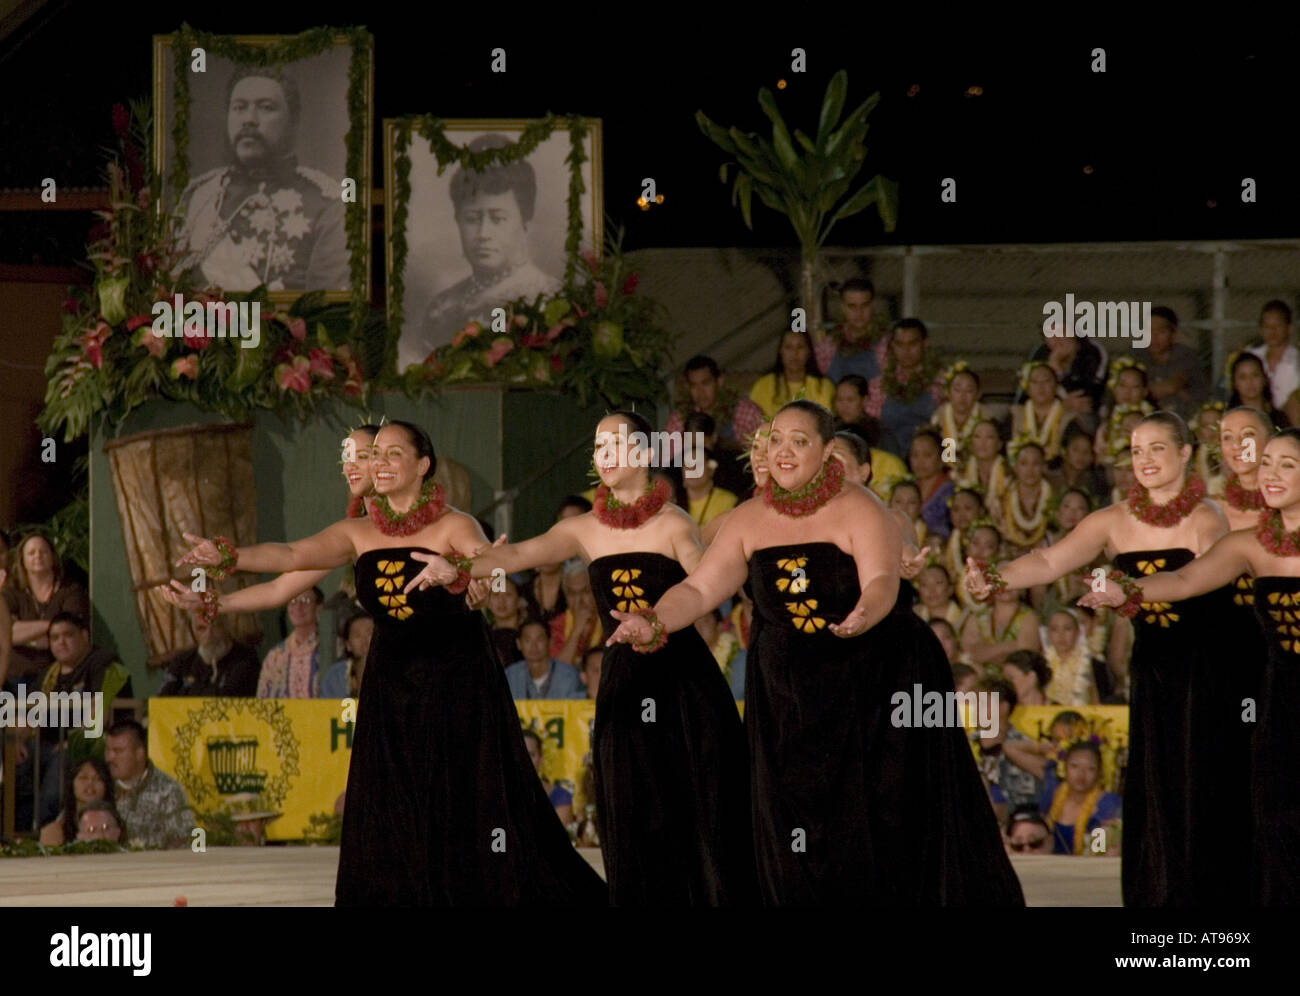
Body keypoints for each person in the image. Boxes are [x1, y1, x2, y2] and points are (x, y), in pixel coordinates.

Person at [601, 400, 1023, 906]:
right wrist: (652, 620)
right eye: (776, 439)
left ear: (827, 454)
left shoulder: (859, 506)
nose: (783, 451)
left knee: (882, 812)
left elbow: (883, 579)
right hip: (787, 688)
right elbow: (698, 590)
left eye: (800, 442)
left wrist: (866, 612)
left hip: (873, 677)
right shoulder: (748, 518)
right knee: (793, 813)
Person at [177, 420, 606, 905]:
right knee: (391, 799)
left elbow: (487, 562)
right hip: (391, 682)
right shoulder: (356, 532)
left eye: (392, 454)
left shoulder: (453, 523)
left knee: (462, 797)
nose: (378, 464)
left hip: (457, 679)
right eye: (374, 454)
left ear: (423, 465)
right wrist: (227, 557)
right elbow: (291, 555)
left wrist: (473, 577)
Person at [407, 410, 758, 907]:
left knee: (696, 802)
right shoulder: (585, 528)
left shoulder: (674, 522)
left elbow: (707, 586)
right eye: (599, 447)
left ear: (645, 453)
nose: (605, 455)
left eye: (616, 444)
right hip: (623, 676)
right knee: (629, 803)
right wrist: (458, 566)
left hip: (682, 680)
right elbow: (519, 555)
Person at [970, 410, 1250, 907]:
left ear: (1185, 454)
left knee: (1201, 786)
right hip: (1153, 668)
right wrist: (994, 578)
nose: (1144, 460)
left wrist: (1127, 590)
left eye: (1157, 449)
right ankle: (1156, 900)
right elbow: (1051, 560)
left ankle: (1210, 906)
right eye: (1137, 451)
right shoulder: (1114, 520)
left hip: (1208, 671)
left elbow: (1193, 583)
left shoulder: (1209, 518)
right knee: (1156, 787)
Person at [1081, 426, 1300, 903]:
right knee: (1278, 818)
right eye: (1268, 463)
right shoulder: (1250, 544)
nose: (1271, 473)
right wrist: (1127, 590)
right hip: (1280, 697)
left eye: (1288, 464)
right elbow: (1183, 581)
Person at [175, 64, 348, 294]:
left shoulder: (326, 202)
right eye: (239, 107)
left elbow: (330, 308)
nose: (249, 119)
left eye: (266, 108)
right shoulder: (198, 197)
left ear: (293, 121)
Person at [404, 135, 563, 366]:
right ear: (457, 220)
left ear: (524, 223)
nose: (483, 233)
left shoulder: (550, 298)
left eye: (498, 219)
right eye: (472, 219)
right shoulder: (442, 305)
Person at [3, 532, 90, 684]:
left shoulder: (70, 590)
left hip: (59, 677)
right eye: (31, 552)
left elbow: (71, 630)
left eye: (43, 551)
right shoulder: (12, 592)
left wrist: (22, 635)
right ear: (22, 560)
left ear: (52, 556)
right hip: (16, 680)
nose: (38, 556)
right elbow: (4, 631)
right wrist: (51, 626)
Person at [105, 720, 194, 850]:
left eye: (118, 751)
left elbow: (182, 840)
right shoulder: (99, 784)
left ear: (140, 754)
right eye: (107, 750)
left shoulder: (167, 791)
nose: (110, 758)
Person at [865, 319, 945, 458]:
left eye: (912, 344)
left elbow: (951, 431)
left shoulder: (942, 382)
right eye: (900, 345)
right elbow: (870, 431)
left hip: (932, 464)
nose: (906, 351)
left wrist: (949, 466)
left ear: (925, 344)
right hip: (889, 464)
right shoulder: (878, 386)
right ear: (892, 347)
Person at [664, 355, 765, 456]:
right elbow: (668, 462)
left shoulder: (746, 412)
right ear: (687, 387)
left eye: (706, 383)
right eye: (694, 386)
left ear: (719, 382)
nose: (700, 392)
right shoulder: (678, 420)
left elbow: (764, 452)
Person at [1039, 741, 1122, 856]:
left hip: (1089, 869)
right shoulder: (1052, 795)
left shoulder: (1107, 805)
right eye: (1074, 766)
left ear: (1099, 773)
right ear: (1065, 767)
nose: (1081, 774)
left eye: (1090, 769)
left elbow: (1099, 852)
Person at [158, 613, 261, 696]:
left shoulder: (246, 659)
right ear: (194, 632)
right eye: (202, 628)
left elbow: (226, 699)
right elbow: (163, 701)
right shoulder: (182, 661)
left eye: (216, 626)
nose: (209, 635)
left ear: (226, 627)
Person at [813, 277, 888, 385]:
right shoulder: (827, 347)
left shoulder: (887, 345)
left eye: (864, 306)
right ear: (843, 308)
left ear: (873, 306)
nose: (859, 312)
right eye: (852, 306)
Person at [749, 329, 835, 419]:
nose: (794, 353)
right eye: (788, 347)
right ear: (781, 352)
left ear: (809, 352)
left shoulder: (823, 387)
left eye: (800, 347)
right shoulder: (763, 386)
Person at [256, 587, 324, 698]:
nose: (298, 607)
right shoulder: (275, 656)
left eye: (306, 601)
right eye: (293, 601)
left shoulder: (330, 649)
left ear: (318, 607)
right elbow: (262, 700)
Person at [1144, 306, 1209, 421]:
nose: (1154, 337)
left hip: (1186, 418)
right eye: (1149, 331)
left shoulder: (1185, 356)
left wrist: (1142, 390)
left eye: (1161, 332)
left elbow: (1170, 387)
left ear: (1173, 334)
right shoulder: (1138, 355)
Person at [40, 756, 114, 847]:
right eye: (83, 778)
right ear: (72, 783)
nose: (90, 783)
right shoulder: (58, 827)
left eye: (98, 779)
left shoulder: (116, 822)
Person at [505, 617, 586, 699]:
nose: (534, 646)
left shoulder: (570, 676)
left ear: (550, 642)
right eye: (528, 640)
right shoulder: (510, 676)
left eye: (540, 640)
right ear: (519, 644)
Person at [1011, 362, 1070, 461]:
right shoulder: (1015, 414)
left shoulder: (1069, 417)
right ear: (1027, 388)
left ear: (1056, 387)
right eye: (1034, 382)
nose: (1040, 387)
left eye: (1046, 381)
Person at [1248, 300, 1299, 411]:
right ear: (1261, 330)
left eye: (1277, 326)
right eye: (1267, 326)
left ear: (1290, 328)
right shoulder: (1251, 358)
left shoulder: (1297, 360)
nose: (1272, 331)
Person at [930, 362, 987, 461]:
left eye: (969, 391)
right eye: (957, 390)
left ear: (978, 394)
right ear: (948, 392)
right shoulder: (939, 417)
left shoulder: (986, 416)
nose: (962, 396)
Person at [1042, 609, 1098, 706]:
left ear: (1078, 632)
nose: (1061, 635)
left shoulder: (1090, 662)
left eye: (1067, 629)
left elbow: (1096, 699)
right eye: (1055, 629)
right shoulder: (1042, 662)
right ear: (1048, 634)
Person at [908, 429, 955, 540]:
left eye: (927, 455)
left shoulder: (951, 491)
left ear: (941, 458)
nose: (920, 462)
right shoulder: (908, 488)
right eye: (915, 455)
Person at [522, 729, 574, 827]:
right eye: (519, 754)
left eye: (531, 755)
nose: (525, 760)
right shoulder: (500, 795)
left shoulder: (560, 796)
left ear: (541, 758)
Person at [1227, 351, 1288, 429]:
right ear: (1234, 383)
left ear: (1264, 378)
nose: (1250, 382)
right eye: (1243, 377)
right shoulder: (1229, 420)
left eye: (1255, 375)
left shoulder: (1279, 418)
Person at [319, 612, 374, 699]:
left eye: (370, 634)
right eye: (357, 635)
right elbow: (325, 709)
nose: (364, 641)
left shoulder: (393, 673)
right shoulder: (335, 676)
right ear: (348, 645)